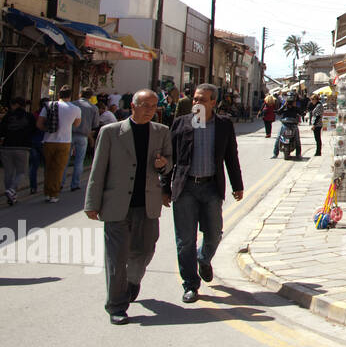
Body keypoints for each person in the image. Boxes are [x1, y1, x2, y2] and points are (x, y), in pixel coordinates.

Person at [84, 90, 172, 325]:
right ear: (133, 106)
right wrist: (92, 203)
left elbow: (169, 162)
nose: (150, 110)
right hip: (116, 205)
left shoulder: (162, 132)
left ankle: (132, 281)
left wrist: (163, 165)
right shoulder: (110, 132)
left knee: (146, 249)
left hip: (148, 205)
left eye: (154, 106)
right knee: (116, 257)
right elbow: (98, 169)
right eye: (145, 105)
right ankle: (116, 306)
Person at [168, 83, 244, 303]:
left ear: (213, 102)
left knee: (214, 233)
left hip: (211, 187)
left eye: (202, 99)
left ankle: (204, 258)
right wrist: (165, 188)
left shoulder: (223, 125)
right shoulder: (181, 124)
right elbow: (170, 157)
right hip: (185, 189)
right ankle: (190, 284)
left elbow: (231, 156)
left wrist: (237, 184)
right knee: (185, 240)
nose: (196, 103)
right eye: (194, 99)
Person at [36, 87, 81, 203]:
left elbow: (39, 123)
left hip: (48, 140)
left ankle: (47, 192)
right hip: (64, 141)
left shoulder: (49, 105)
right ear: (70, 96)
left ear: (58, 95)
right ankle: (54, 194)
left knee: (48, 167)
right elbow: (76, 124)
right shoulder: (75, 109)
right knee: (58, 169)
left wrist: (48, 130)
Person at [1, 99, 37, 205]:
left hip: (7, 146)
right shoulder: (29, 116)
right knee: (21, 172)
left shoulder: (7, 116)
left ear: (16, 105)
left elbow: (1, 130)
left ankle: (10, 195)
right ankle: (12, 190)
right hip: (23, 147)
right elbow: (34, 131)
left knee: (8, 172)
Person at [66, 88, 98, 193]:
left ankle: (60, 183)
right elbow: (95, 124)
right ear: (91, 96)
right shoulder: (93, 108)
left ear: (80, 94)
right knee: (79, 161)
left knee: (65, 160)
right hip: (83, 135)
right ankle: (75, 184)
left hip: (69, 134)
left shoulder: (72, 104)